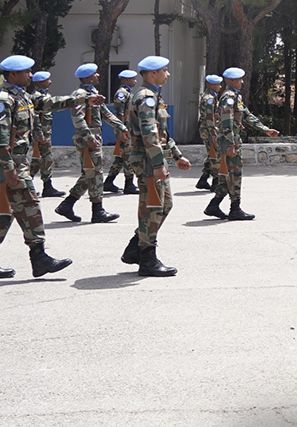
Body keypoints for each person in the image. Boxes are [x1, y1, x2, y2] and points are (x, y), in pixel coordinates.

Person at [0, 56, 102, 280]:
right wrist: (9, 168)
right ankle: (39, 256)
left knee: (4, 210)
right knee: (30, 205)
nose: (31, 75)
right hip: (11, 163)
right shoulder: (2, 101)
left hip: (16, 162)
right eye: (27, 72)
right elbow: (0, 140)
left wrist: (83, 100)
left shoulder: (22, 96)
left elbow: (49, 103)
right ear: (13, 75)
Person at [120, 56, 190, 276]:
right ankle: (147, 260)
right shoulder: (146, 97)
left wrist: (177, 155)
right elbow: (149, 134)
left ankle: (135, 248)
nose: (168, 74)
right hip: (148, 161)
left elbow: (161, 133)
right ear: (153, 74)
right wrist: (158, 163)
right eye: (165, 70)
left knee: (164, 205)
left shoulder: (152, 96)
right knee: (152, 207)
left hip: (153, 159)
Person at [55, 64, 128, 224]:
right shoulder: (80, 95)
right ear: (88, 77)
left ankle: (67, 205)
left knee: (91, 173)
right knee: (95, 173)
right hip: (86, 138)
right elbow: (78, 119)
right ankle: (97, 211)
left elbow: (106, 113)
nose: (98, 75)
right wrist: (89, 138)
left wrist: (121, 126)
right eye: (95, 73)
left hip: (95, 136)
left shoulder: (93, 94)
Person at [204, 67, 280, 220]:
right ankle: (235, 209)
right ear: (231, 81)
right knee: (235, 174)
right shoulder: (228, 97)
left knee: (228, 176)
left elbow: (246, 115)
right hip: (229, 142)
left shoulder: (235, 97)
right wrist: (230, 144)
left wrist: (265, 129)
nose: (242, 82)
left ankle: (214, 204)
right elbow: (226, 122)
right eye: (239, 79)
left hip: (231, 141)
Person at [28, 71, 66, 198]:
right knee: (45, 159)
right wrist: (39, 134)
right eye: (47, 80)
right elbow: (35, 117)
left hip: (46, 132)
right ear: (40, 82)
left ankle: (29, 184)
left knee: (39, 160)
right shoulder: (36, 97)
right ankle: (44, 186)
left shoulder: (45, 95)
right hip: (41, 134)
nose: (50, 82)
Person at [104, 70, 139, 195]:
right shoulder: (122, 93)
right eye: (132, 78)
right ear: (125, 80)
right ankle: (129, 184)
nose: (135, 80)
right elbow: (119, 113)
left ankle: (108, 182)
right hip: (124, 128)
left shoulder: (128, 92)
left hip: (127, 128)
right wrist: (121, 129)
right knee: (128, 155)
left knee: (120, 157)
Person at [195, 74, 224, 192]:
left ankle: (204, 178)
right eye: (218, 84)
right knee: (215, 155)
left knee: (212, 153)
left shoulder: (211, 96)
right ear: (212, 85)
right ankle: (216, 182)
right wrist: (213, 132)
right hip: (209, 130)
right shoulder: (209, 99)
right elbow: (209, 118)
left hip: (209, 129)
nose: (220, 87)